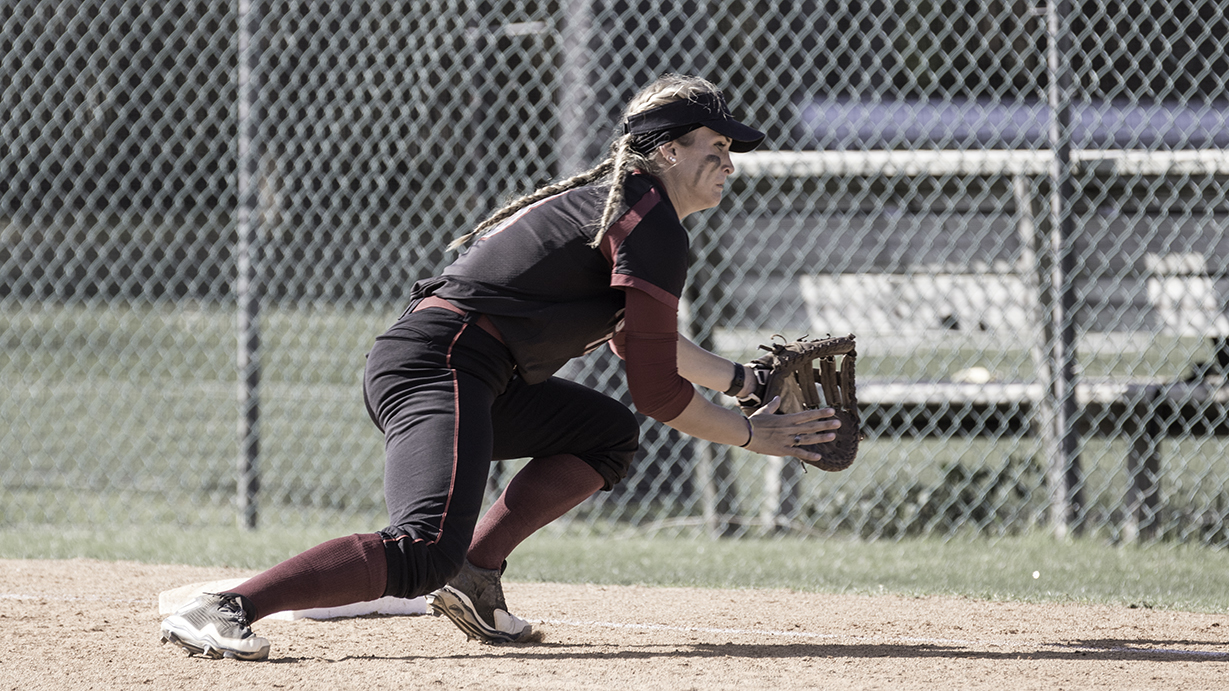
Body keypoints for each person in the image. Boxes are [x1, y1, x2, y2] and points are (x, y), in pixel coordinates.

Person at [159, 73, 842, 661]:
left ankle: (473, 576)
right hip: (442, 364)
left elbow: (639, 341)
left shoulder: (633, 207)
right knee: (421, 545)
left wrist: (747, 384)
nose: (730, 162)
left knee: (604, 432)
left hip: (476, 371)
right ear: (667, 150)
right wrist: (754, 435)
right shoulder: (648, 219)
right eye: (715, 147)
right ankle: (224, 606)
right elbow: (657, 389)